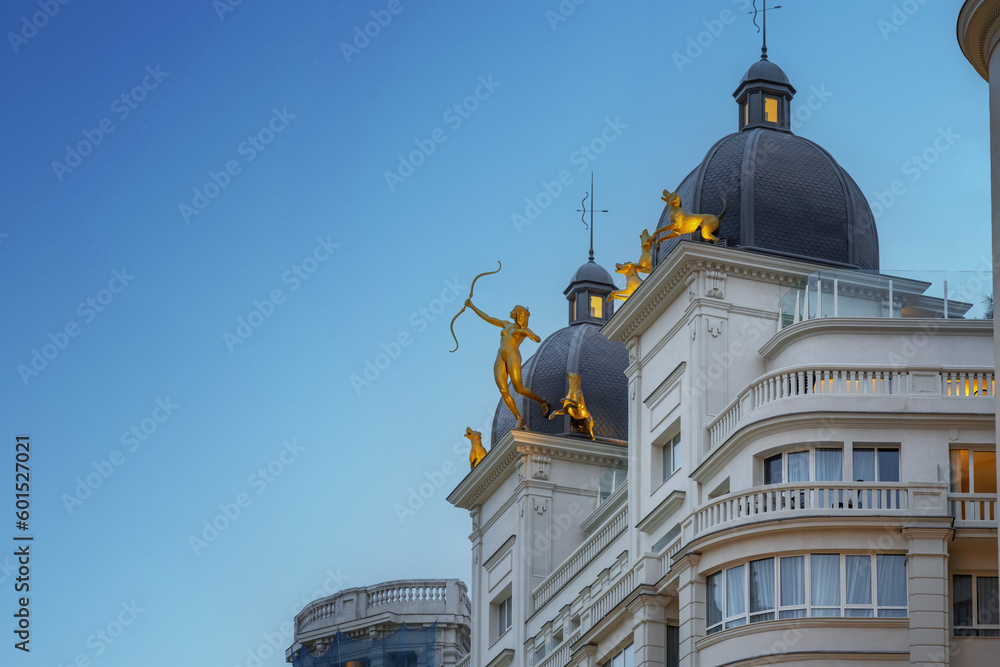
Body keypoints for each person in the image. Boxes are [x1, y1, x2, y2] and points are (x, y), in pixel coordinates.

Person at [465, 298, 549, 430]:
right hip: (500, 357)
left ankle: (541, 401)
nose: (510, 312)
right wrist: (472, 306)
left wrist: (523, 332)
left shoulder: (525, 330)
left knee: (519, 389)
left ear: (518, 314)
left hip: (512, 355)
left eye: (513, 311)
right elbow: (488, 318)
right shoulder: (506, 324)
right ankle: (519, 418)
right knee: (503, 390)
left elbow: (537, 339)